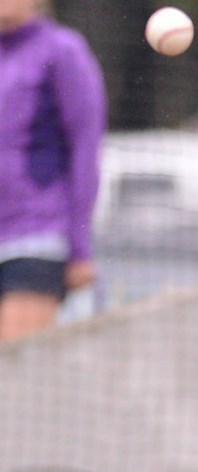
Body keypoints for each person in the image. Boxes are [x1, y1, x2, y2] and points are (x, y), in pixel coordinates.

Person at [0, 0, 106, 342]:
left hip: (34, 239)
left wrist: (80, 250)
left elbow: (85, 151)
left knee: (11, 375)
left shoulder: (62, 51)